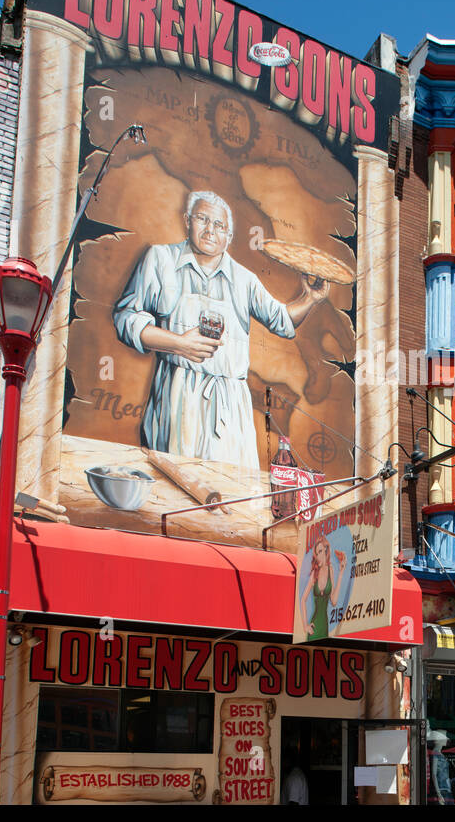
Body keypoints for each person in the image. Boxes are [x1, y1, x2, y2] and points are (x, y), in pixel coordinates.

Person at [113, 191, 329, 468]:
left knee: (232, 493)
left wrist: (309, 299)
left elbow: (282, 321)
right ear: (187, 221)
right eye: (202, 219)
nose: (210, 230)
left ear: (229, 236)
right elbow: (126, 318)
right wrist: (178, 343)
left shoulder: (244, 280)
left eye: (219, 225)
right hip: (178, 395)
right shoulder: (160, 260)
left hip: (230, 404)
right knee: (176, 488)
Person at [295, 534, 345, 641]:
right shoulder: (315, 573)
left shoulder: (330, 570)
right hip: (314, 627)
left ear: (326, 550)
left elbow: (334, 601)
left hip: (324, 626)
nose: (318, 556)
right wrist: (305, 626)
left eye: (321, 551)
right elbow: (303, 599)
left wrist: (341, 573)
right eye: (317, 553)